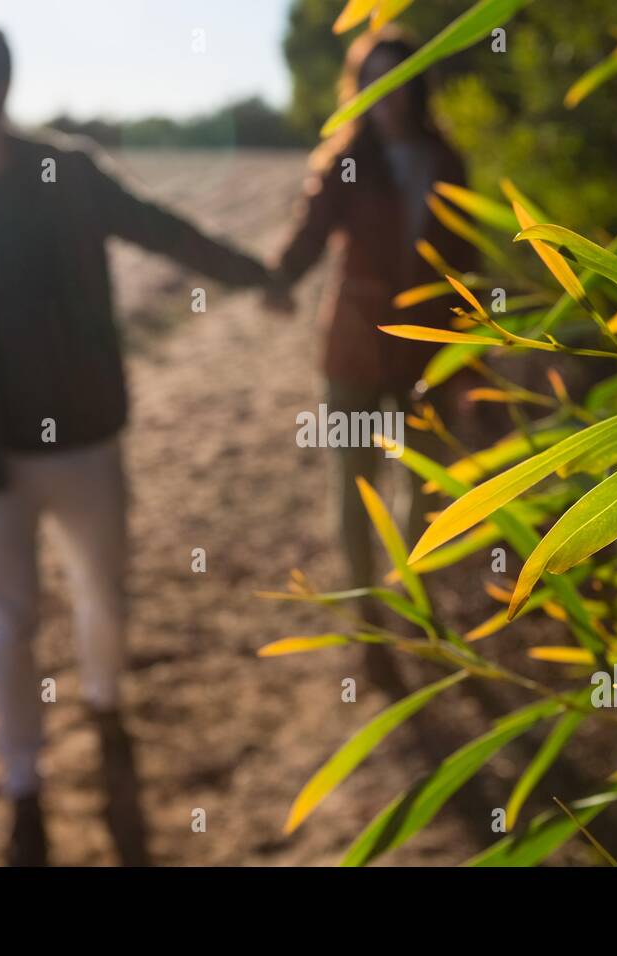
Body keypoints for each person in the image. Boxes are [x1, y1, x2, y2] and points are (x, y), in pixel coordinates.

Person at [0, 21, 274, 866]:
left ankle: (105, 699)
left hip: (83, 435)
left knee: (105, 591)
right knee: (10, 620)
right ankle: (24, 784)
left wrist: (256, 272)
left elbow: (159, 227)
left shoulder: (68, 174)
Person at [266, 27, 478, 659]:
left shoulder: (447, 161)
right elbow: (310, 231)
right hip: (354, 350)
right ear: (360, 90)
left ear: (417, 87)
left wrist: (473, 352)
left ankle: (417, 604)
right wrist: (276, 278)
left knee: (424, 488)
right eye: (374, 83)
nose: (387, 98)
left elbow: (464, 261)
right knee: (355, 489)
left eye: (398, 82)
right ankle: (368, 627)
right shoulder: (346, 160)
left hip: (429, 350)